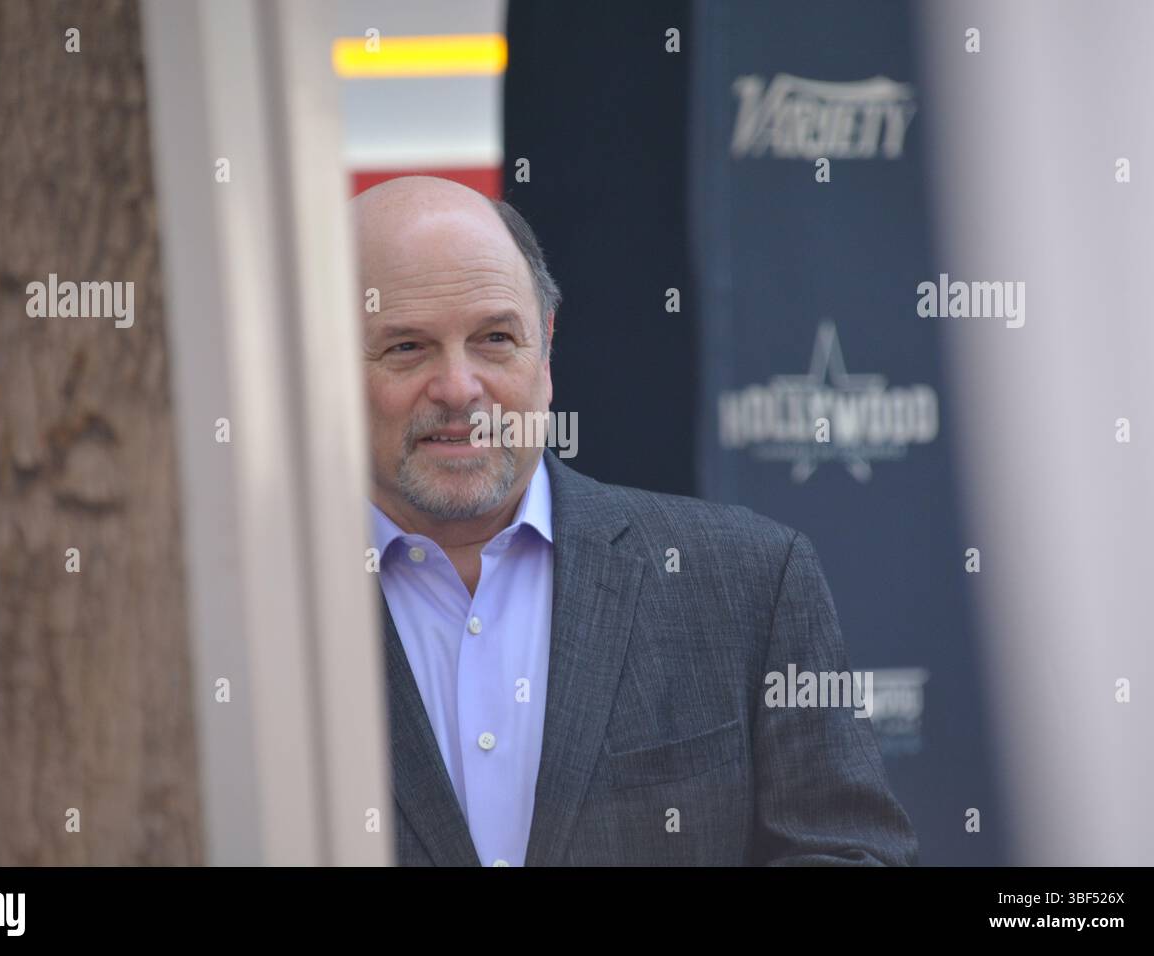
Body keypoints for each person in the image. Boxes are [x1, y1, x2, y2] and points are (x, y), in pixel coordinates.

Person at [351, 175, 918, 866]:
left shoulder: (747, 583)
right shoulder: (255, 619)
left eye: (495, 338)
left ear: (546, 351)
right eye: (407, 347)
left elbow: (850, 854)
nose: (459, 388)